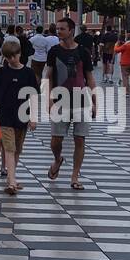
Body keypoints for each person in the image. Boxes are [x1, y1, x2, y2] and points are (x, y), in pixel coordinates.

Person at [44, 16, 96, 191]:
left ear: (71, 31)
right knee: (55, 140)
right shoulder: (54, 51)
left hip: (82, 101)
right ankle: (58, 159)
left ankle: (75, 176)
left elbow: (90, 78)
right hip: (60, 101)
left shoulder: (83, 52)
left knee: (80, 139)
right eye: (57, 29)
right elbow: (48, 76)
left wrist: (95, 102)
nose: (58, 31)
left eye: (62, 29)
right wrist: (49, 98)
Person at [0, 39, 38, 196]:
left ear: (20, 54)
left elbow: (34, 96)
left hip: (22, 116)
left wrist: (33, 117)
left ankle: (11, 177)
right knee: (9, 148)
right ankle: (12, 181)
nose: (11, 60)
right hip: (6, 115)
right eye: (8, 57)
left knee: (17, 149)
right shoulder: (2, 72)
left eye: (13, 57)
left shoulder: (28, 73)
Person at [114, 31, 130, 97]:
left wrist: (117, 44)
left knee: (125, 78)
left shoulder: (125, 45)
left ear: (127, 38)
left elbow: (116, 50)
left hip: (125, 63)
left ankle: (127, 93)